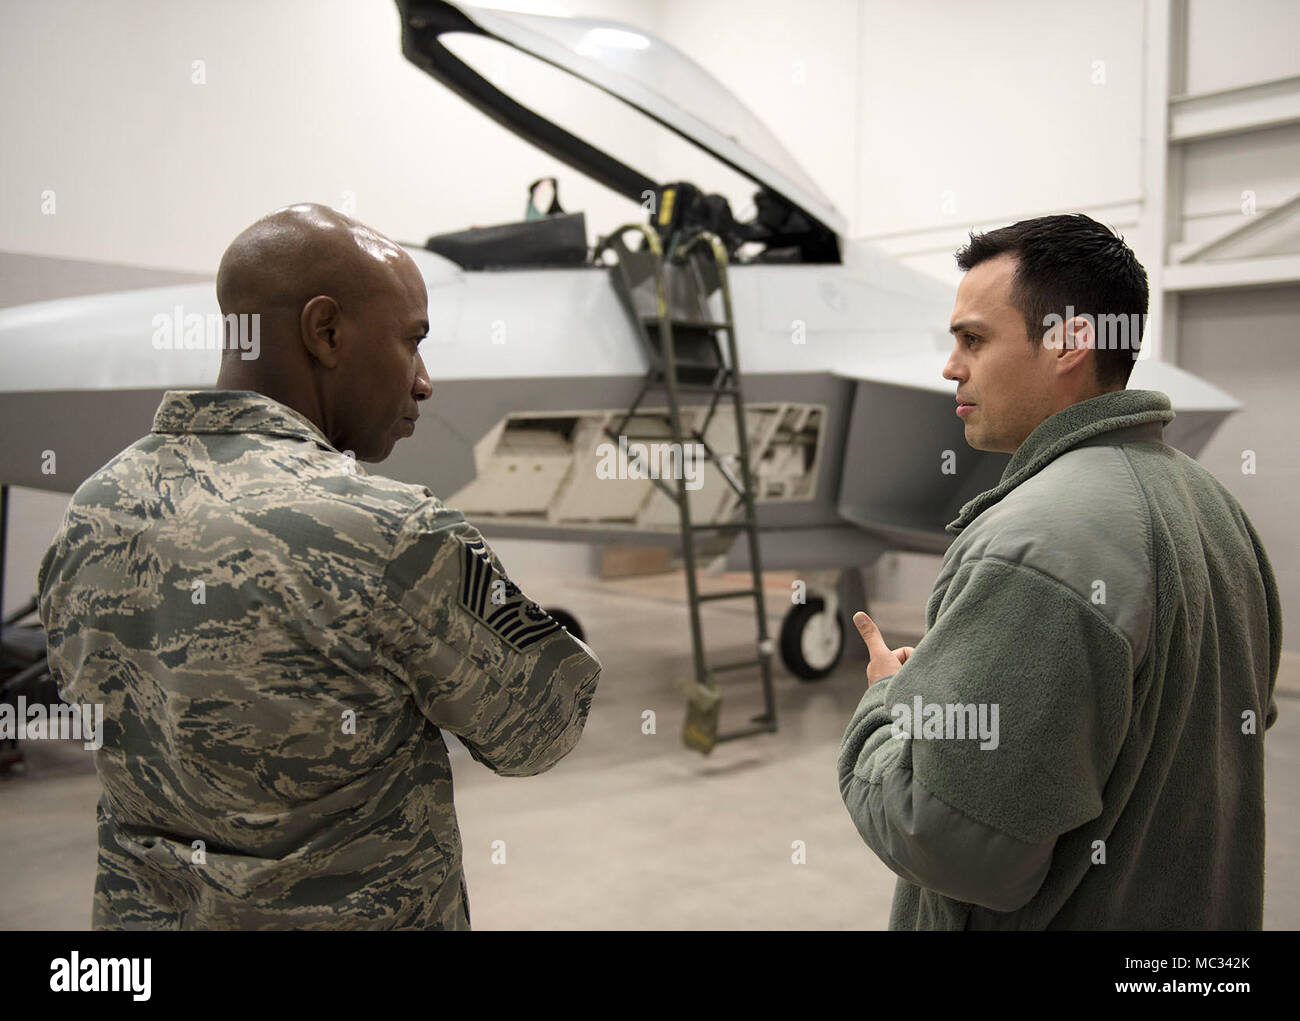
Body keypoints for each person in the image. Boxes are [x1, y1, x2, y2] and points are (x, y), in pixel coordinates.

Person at [38, 203, 601, 930]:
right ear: (326, 331)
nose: (424, 382)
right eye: (411, 342)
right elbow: (539, 727)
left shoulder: (92, 509)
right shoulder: (393, 532)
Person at [838, 213, 1281, 929]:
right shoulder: (1217, 511)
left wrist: (888, 706)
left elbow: (954, 845)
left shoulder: (1032, 542)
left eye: (974, 339)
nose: (951, 367)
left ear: (1072, 342)